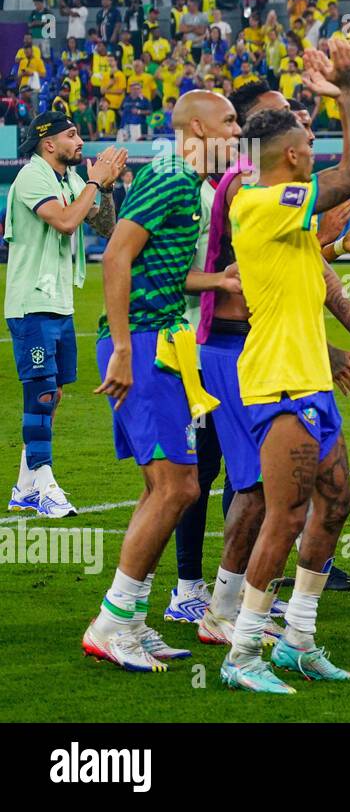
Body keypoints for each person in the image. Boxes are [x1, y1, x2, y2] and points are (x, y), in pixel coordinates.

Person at [219, 39, 350, 694]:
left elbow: (310, 279)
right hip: (278, 381)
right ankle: (242, 654)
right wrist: (349, 93)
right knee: (283, 517)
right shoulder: (259, 203)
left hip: (307, 375)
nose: (315, 154)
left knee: (335, 503)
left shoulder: (286, 215)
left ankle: (299, 639)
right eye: (309, 145)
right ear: (290, 156)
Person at [84, 89, 243, 673]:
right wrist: (124, 348)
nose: (237, 129)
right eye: (229, 121)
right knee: (177, 488)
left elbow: (163, 268)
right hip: (146, 345)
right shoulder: (173, 176)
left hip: (164, 342)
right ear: (197, 128)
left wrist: (217, 282)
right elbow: (116, 256)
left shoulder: (188, 184)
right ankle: (111, 621)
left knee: (165, 487)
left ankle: (129, 619)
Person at [5, 114, 124, 517]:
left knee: (52, 395)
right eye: (71, 135)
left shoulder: (68, 180)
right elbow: (68, 222)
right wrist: (93, 183)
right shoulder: (32, 178)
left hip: (59, 303)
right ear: (48, 144)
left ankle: (25, 486)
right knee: (39, 394)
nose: (80, 141)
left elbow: (106, 226)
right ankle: (45, 481)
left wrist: (106, 187)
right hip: (31, 301)